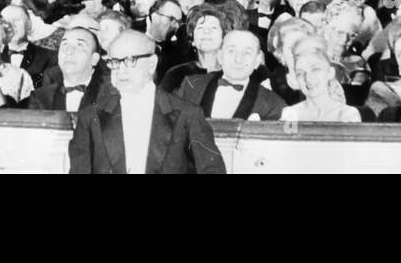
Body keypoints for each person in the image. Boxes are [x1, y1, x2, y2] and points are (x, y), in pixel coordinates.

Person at [69, 30, 225, 173]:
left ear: (152, 64)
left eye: (131, 60)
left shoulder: (187, 114)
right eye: (115, 62)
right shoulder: (90, 117)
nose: (121, 70)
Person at [174, 29, 286, 121]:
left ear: (257, 61)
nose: (238, 59)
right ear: (220, 56)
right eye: (231, 51)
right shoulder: (191, 86)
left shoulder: (273, 104)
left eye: (247, 53)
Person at [280, 37, 363, 123]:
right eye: (300, 73)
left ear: (330, 73)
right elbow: (289, 135)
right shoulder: (291, 115)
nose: (308, 78)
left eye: (315, 69)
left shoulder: (347, 115)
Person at [27, 24, 107, 112]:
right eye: (64, 44)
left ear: (94, 59)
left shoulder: (110, 96)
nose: (68, 51)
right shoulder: (40, 97)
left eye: (80, 45)